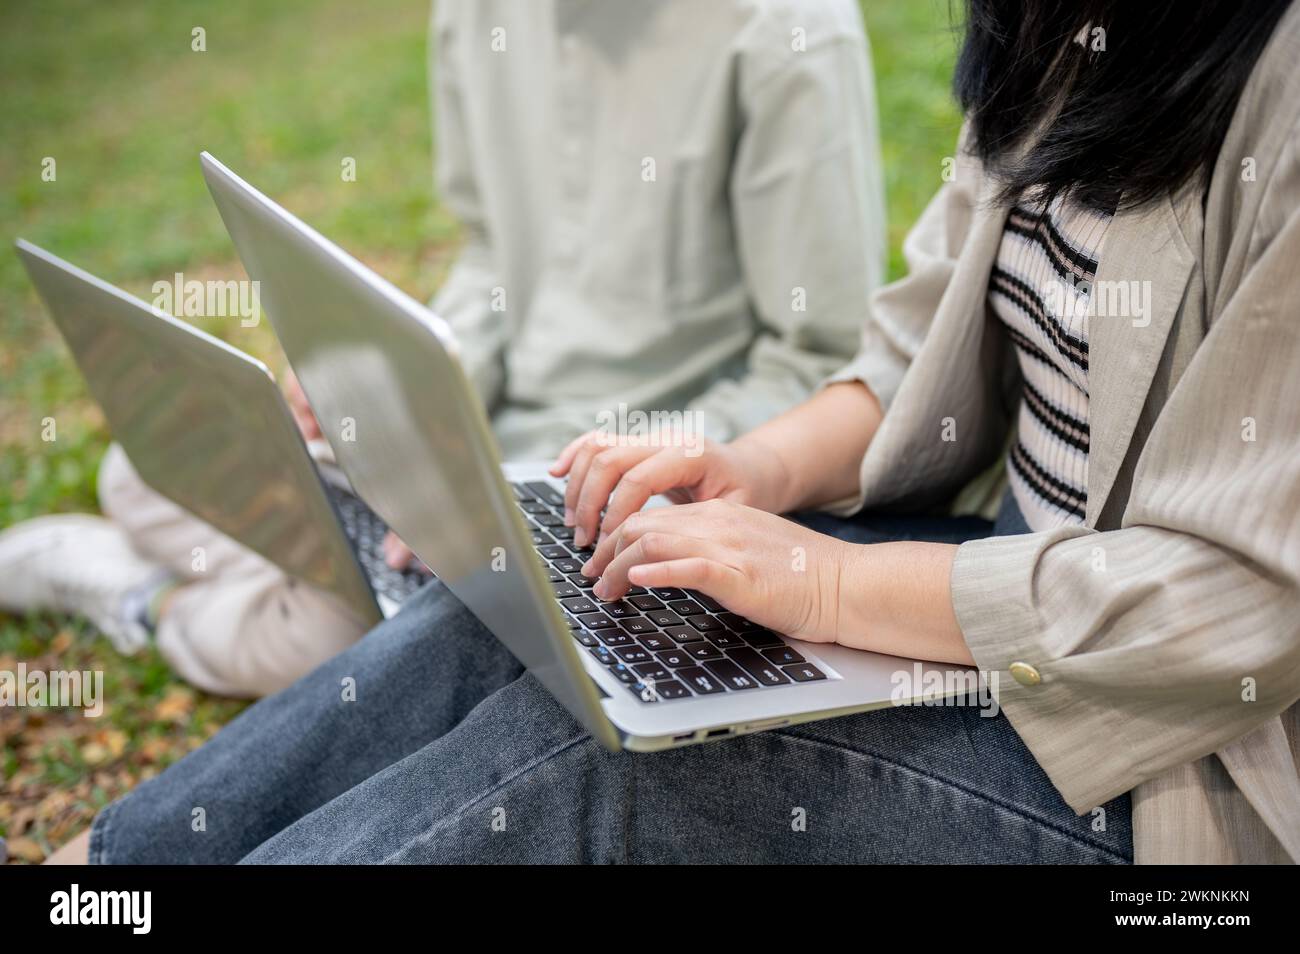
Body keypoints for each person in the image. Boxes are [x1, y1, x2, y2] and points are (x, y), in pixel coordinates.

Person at [62, 0, 1300, 866]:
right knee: (549, 607)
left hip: (1173, 774)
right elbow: (905, 353)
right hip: (981, 618)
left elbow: (1246, 599)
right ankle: (106, 877)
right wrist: (752, 469)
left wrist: (832, 580)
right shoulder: (1061, 34)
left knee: (631, 765)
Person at [1, 0, 888, 698]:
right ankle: (334, 560)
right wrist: (395, 391)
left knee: (340, 645)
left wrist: (561, 483)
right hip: (471, 447)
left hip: (612, 499)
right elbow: (491, 256)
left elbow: (816, 359)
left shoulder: (790, 30)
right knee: (145, 464)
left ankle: (144, 598)